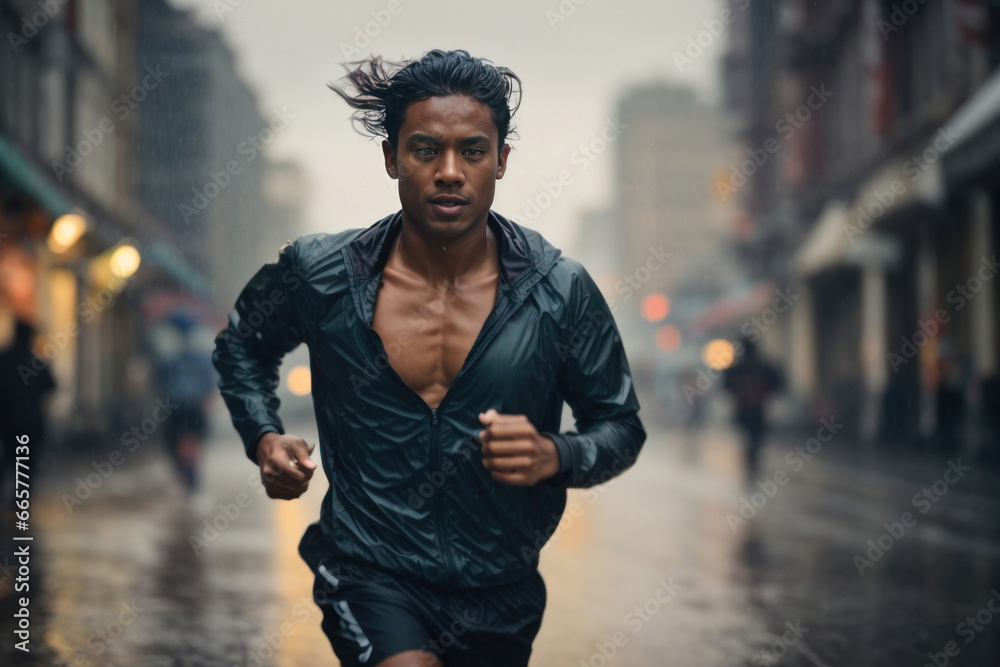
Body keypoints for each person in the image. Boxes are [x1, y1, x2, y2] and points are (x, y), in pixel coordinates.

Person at [212, 49, 646, 667]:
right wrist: (264, 437)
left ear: (501, 161)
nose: (449, 171)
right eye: (424, 150)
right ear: (391, 158)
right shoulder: (322, 275)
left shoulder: (559, 290)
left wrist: (556, 454)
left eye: (472, 151)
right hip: (368, 569)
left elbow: (621, 427)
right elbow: (241, 347)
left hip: (502, 589)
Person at [722, 337, 784, 479]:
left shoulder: (738, 369)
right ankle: (752, 461)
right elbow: (778, 384)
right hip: (755, 410)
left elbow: (726, 387)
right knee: (754, 439)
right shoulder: (762, 367)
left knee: (751, 439)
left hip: (748, 410)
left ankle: (751, 461)